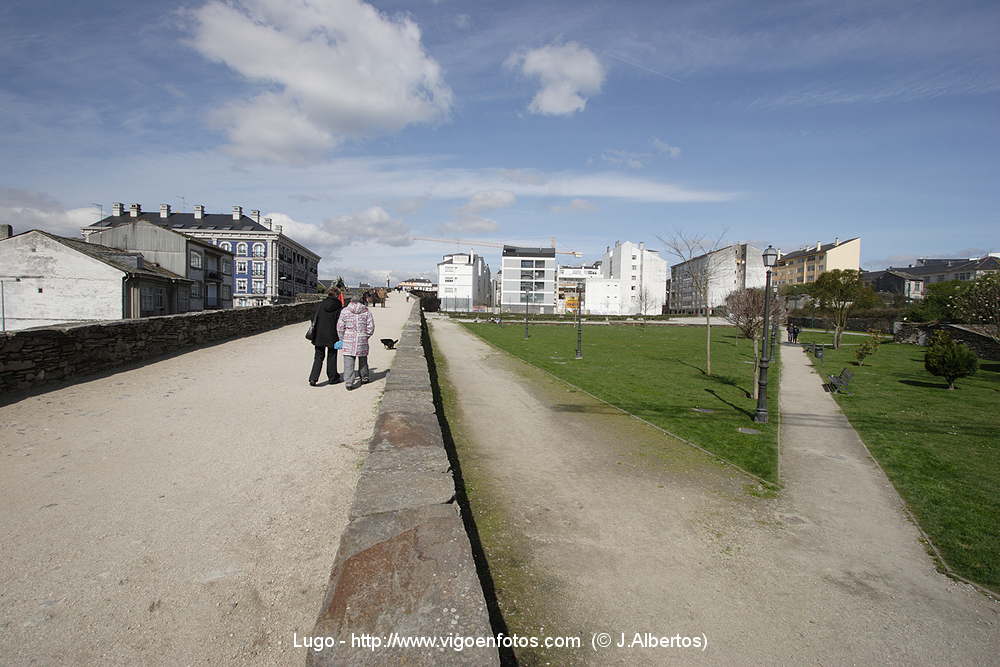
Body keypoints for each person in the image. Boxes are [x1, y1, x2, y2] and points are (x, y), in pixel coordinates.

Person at [337, 298, 376, 391]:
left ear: (350, 302)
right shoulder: (366, 311)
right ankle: (364, 377)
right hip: (362, 337)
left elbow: (340, 327)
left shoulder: (345, 311)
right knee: (363, 359)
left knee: (348, 361)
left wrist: (342, 338)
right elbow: (371, 326)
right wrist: (366, 336)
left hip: (348, 338)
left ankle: (349, 382)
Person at [309, 288, 344, 386]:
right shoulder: (339, 307)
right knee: (332, 356)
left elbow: (312, 317)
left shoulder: (320, 305)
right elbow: (340, 322)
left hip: (319, 334)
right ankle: (332, 378)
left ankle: (313, 378)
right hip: (333, 334)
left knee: (318, 357)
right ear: (337, 295)